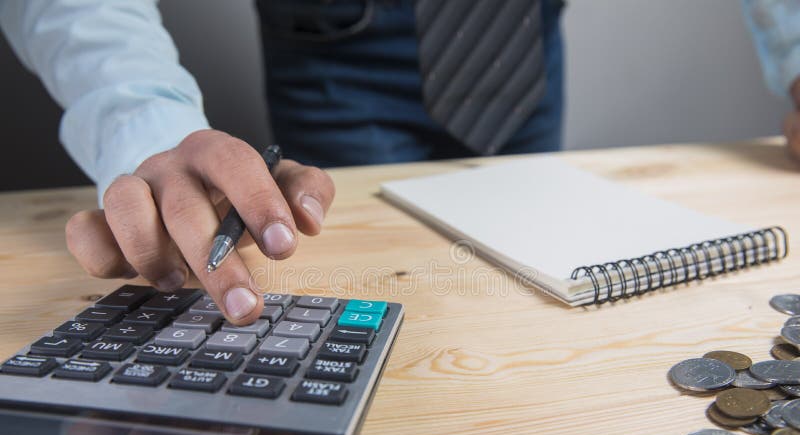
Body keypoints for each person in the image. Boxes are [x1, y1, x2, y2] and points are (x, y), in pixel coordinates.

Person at [0, 0, 796, 325]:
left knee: (523, 307)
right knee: (376, 302)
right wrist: (147, 123)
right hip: (338, 46)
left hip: (515, 45)